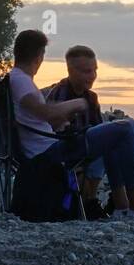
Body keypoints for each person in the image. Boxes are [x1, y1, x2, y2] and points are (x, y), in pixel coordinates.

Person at [8, 29, 134, 220]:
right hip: (48, 152)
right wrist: (78, 103)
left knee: (122, 131)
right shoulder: (21, 80)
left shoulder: (16, 79)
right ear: (39, 56)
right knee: (126, 128)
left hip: (50, 146)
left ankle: (123, 207)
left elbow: (44, 117)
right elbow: (46, 112)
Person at [43, 44, 107, 219]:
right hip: (64, 148)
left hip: (84, 145)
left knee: (112, 145)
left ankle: (116, 202)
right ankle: (89, 201)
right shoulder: (60, 93)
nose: (92, 76)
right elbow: (56, 129)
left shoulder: (91, 97)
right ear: (71, 70)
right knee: (105, 151)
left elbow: (98, 127)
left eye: (94, 70)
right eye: (86, 71)